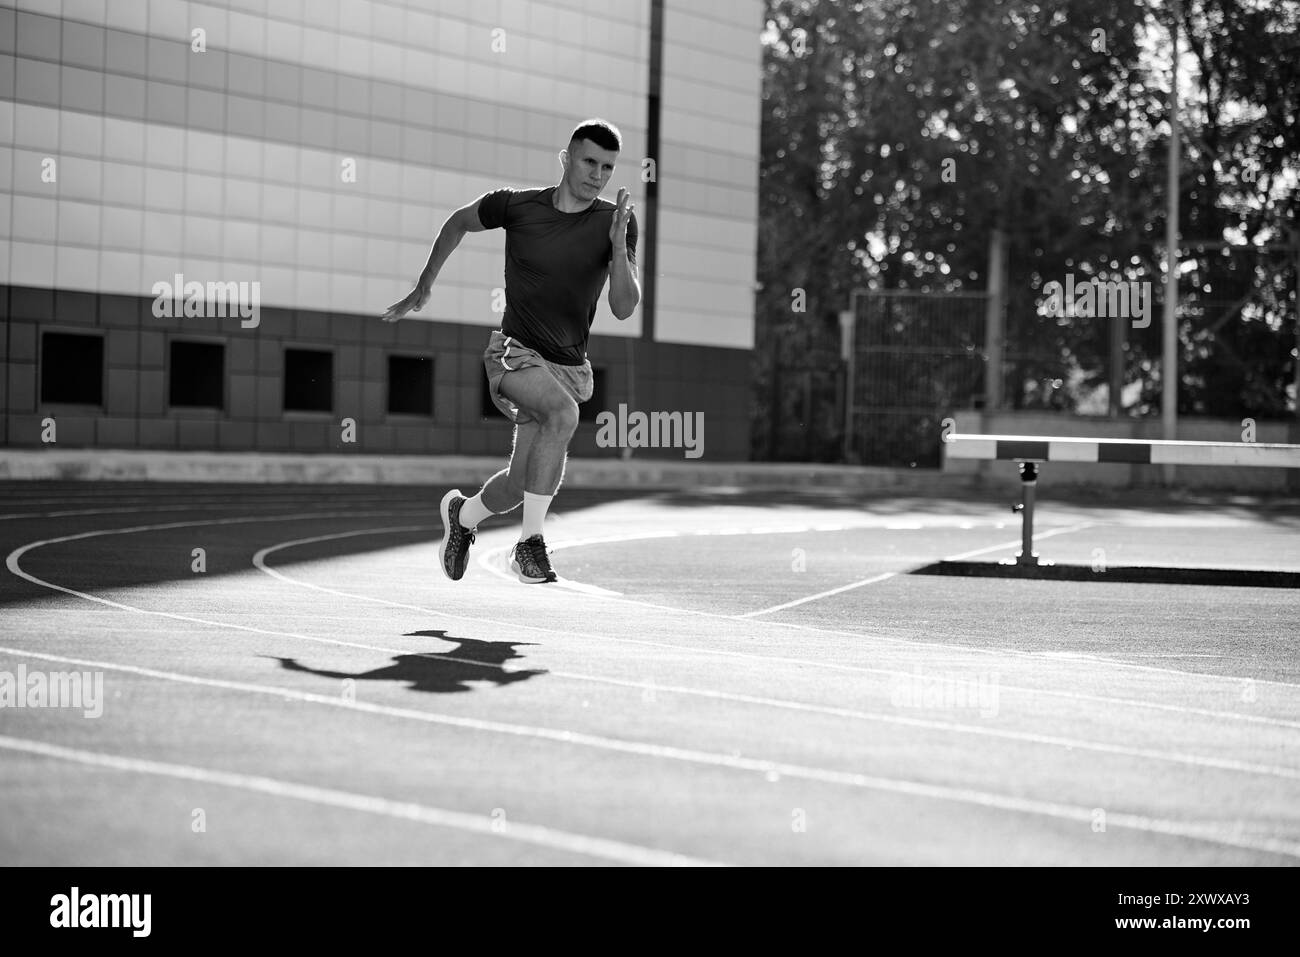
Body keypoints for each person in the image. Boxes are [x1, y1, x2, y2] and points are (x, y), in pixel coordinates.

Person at [381, 119, 640, 583]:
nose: (597, 174)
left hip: (567, 368)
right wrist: (424, 287)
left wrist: (619, 247)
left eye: (607, 166)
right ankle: (529, 546)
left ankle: (463, 516)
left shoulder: (615, 223)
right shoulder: (518, 207)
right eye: (588, 162)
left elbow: (623, 308)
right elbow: (459, 221)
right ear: (566, 159)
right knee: (563, 416)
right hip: (513, 352)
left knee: (519, 486)